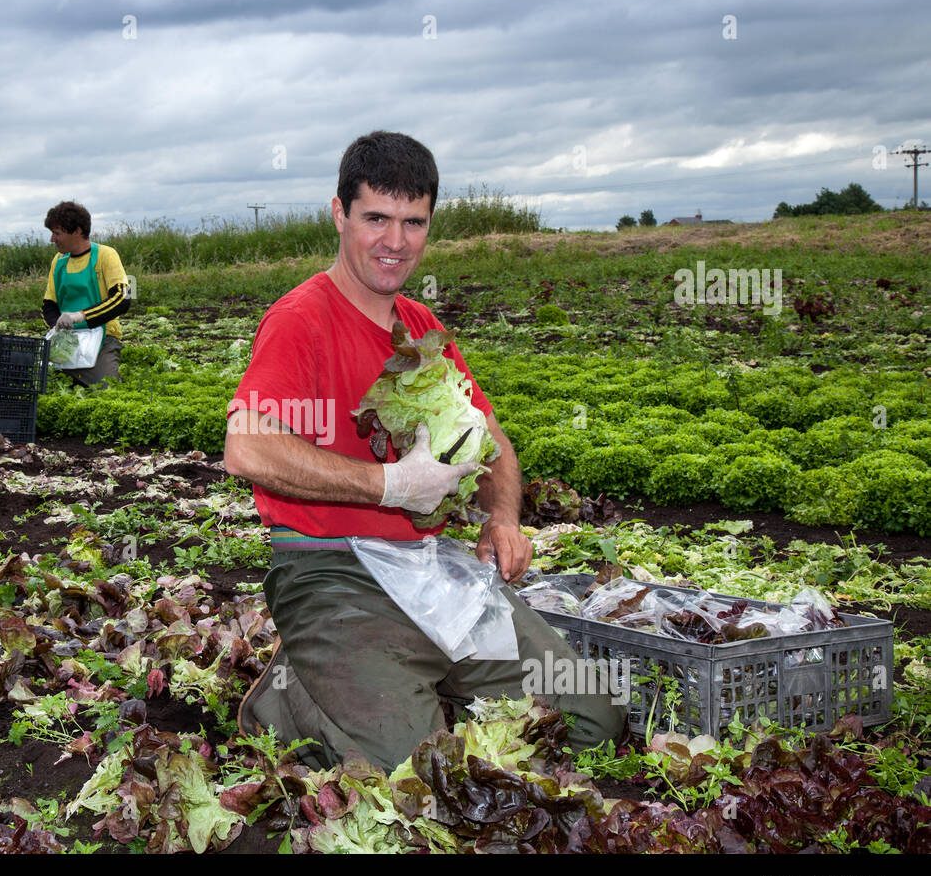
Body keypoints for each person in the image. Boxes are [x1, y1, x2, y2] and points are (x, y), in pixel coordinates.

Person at [224, 131, 626, 772]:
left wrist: (502, 519)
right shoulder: (301, 319)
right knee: (421, 774)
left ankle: (391, 681)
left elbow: (494, 445)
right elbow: (247, 448)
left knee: (594, 716)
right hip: (332, 576)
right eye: (376, 218)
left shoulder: (421, 327)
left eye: (414, 223)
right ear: (339, 214)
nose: (395, 241)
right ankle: (295, 696)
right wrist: (388, 486)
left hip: (432, 571)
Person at [42, 200, 131, 386]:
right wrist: (58, 328)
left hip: (103, 336)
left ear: (77, 231)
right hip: (67, 339)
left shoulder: (105, 255)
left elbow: (122, 298)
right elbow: (49, 305)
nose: (52, 239)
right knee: (47, 383)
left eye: (57, 233)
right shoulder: (58, 261)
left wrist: (79, 316)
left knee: (106, 387)